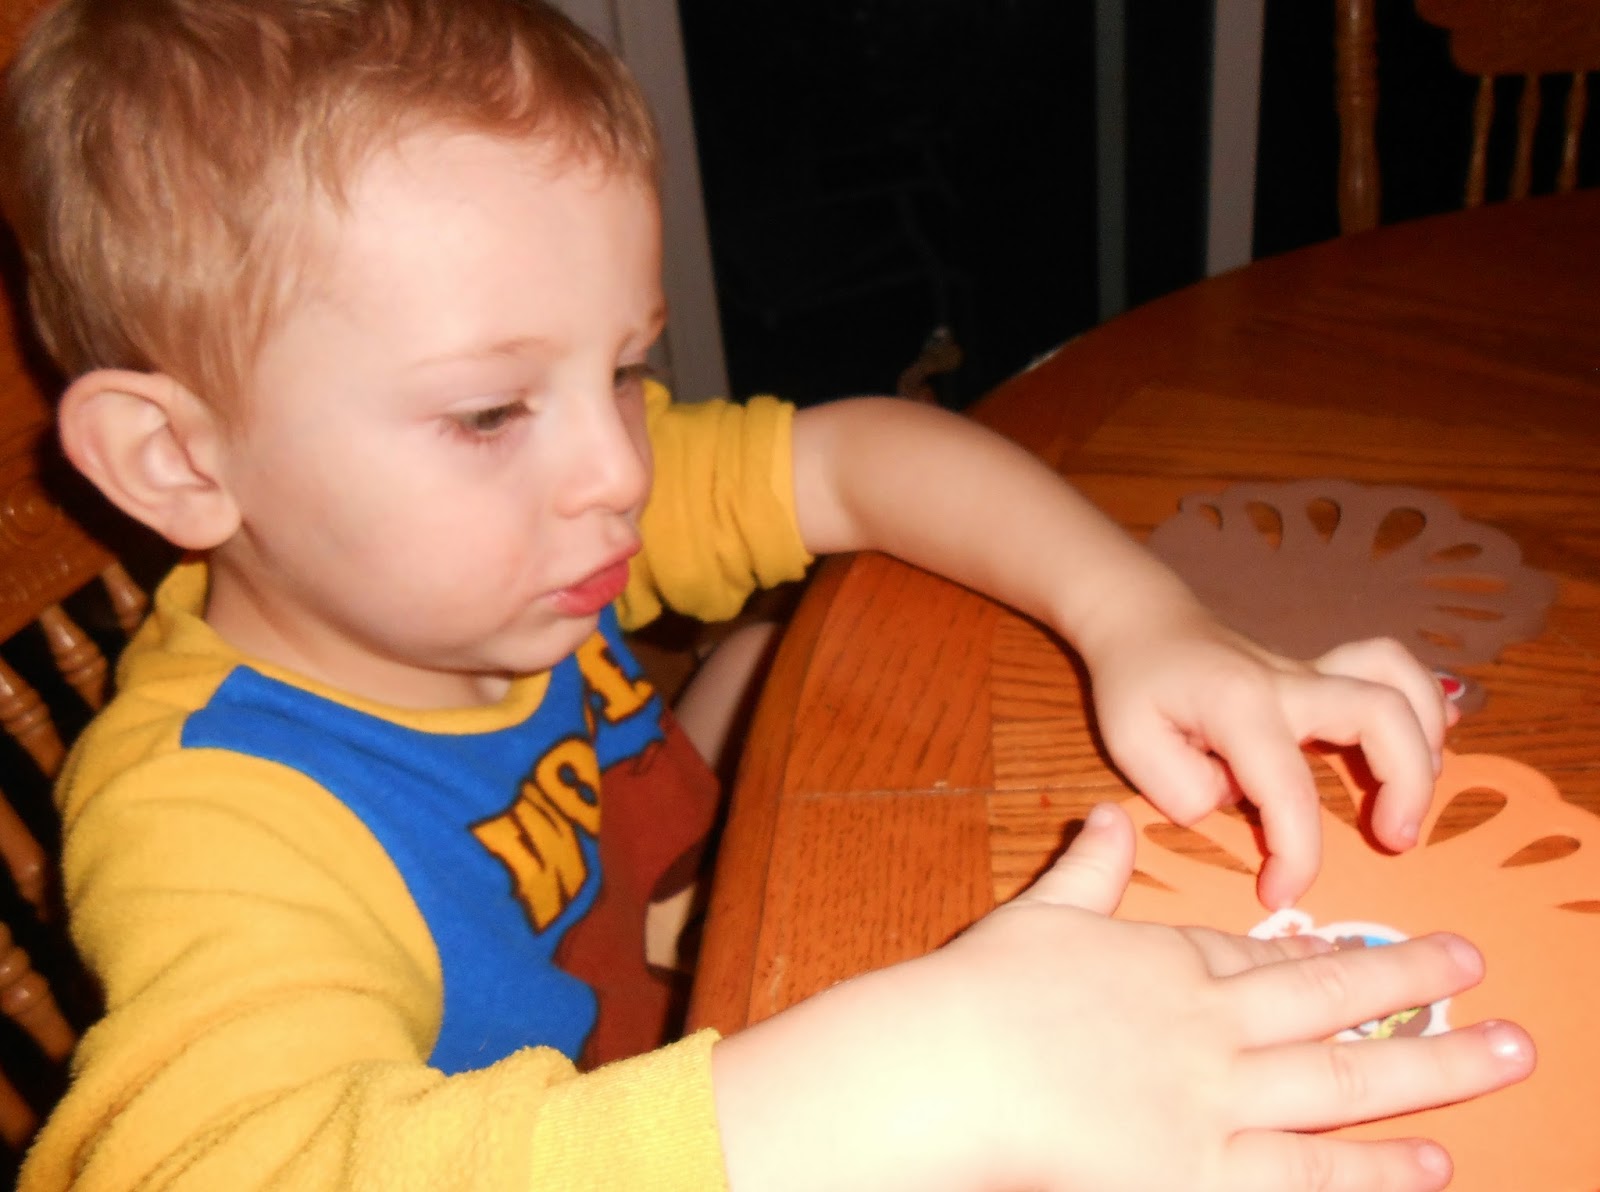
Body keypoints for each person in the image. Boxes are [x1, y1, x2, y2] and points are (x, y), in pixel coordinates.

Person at [1, 1, 1532, 1188]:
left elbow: (860, 457)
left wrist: (1146, 618)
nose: (616, 465)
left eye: (621, 363)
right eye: (489, 413)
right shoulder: (211, 825)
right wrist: (928, 1079)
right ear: (179, 460)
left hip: (697, 964)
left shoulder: (510, 542)